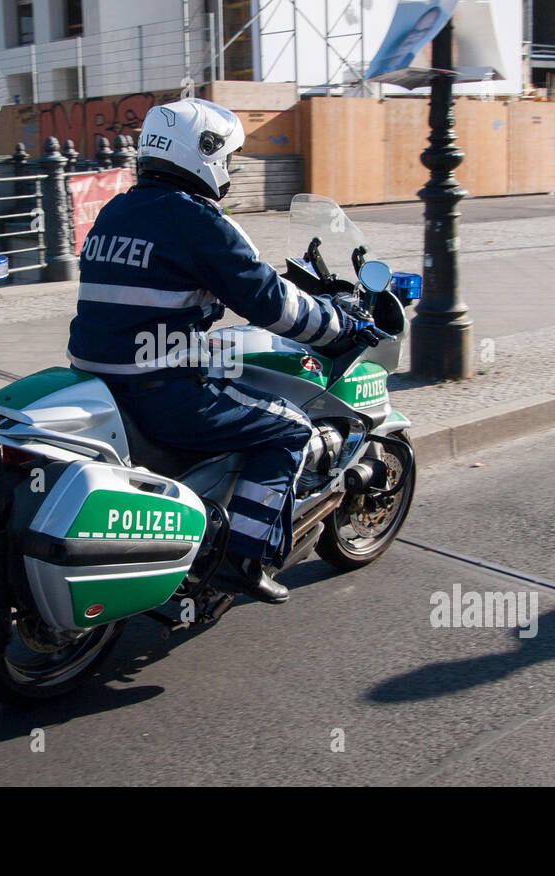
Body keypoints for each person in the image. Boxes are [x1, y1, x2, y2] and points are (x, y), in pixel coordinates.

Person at [66, 98, 362, 604]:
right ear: (203, 152)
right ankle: (241, 559)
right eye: (229, 156)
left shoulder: (117, 209)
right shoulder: (198, 221)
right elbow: (271, 304)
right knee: (290, 427)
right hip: (163, 391)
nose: (231, 167)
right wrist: (340, 325)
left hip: (98, 380)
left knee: (226, 368)